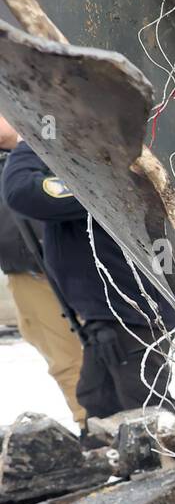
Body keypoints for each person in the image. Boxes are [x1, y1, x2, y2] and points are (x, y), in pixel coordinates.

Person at [1, 133, 175, 420]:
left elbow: (22, 191)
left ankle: (174, 458)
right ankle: (123, 455)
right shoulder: (90, 175)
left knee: (147, 409)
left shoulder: (103, 180)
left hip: (128, 315)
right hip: (108, 316)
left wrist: (29, 142)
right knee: (97, 400)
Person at [0, 117, 86, 427]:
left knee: (113, 345)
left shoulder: (51, 141)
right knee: (65, 360)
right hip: (27, 276)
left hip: (80, 265)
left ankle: (150, 423)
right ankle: (91, 424)